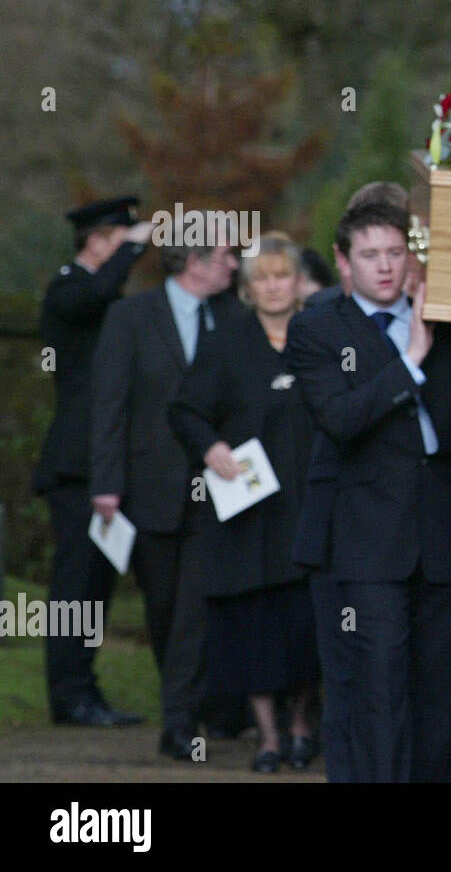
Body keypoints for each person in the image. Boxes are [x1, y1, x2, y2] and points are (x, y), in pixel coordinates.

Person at [286, 201, 451, 782]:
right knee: (376, 684)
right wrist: (411, 360)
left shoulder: (449, 320)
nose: (385, 267)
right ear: (342, 262)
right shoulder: (317, 328)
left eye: (395, 253)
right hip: (367, 539)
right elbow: (340, 418)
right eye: (370, 255)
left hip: (447, 531)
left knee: (446, 686)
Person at [167, 238, 320, 773]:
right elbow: (185, 410)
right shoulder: (226, 341)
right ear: (248, 288)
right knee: (254, 632)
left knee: (307, 629)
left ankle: (303, 726)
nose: (274, 286)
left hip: (312, 510)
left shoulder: (322, 336)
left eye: (283, 275)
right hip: (250, 520)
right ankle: (269, 736)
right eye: (263, 278)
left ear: (299, 280)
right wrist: (210, 448)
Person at [91, 233, 241, 759]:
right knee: (163, 608)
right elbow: (109, 403)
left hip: (218, 487)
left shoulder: (234, 317)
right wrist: (106, 484)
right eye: (225, 256)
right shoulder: (130, 317)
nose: (234, 265)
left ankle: (181, 721)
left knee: (195, 608)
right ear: (195, 262)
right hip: (149, 488)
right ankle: (186, 702)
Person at [35, 196, 151, 728]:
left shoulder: (98, 295)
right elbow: (99, 292)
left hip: (99, 463)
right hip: (75, 465)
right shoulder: (68, 289)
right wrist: (131, 250)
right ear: (97, 240)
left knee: (94, 587)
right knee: (75, 587)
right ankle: (69, 693)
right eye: (120, 240)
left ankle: (85, 689)